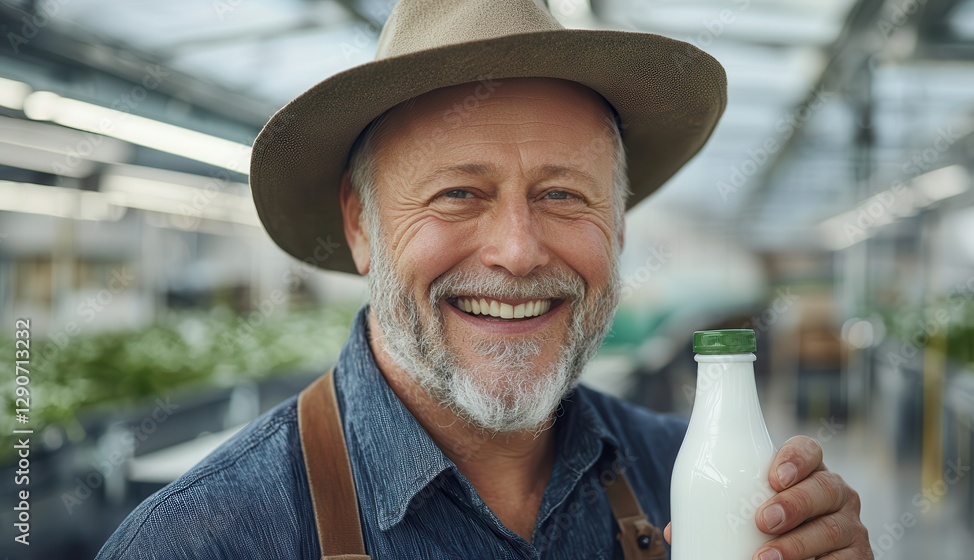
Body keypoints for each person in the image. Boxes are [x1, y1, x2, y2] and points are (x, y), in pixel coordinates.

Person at [98, 0, 873, 558]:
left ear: (618, 226)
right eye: (459, 194)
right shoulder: (205, 541)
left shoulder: (693, 478)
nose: (518, 252)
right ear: (361, 225)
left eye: (562, 195)